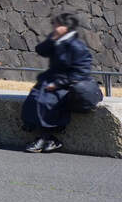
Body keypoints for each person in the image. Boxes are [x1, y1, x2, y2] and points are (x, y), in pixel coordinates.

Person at [22, 14, 102, 154]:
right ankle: (49, 139)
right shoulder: (57, 41)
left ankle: (44, 138)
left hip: (68, 83)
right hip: (52, 79)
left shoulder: (77, 46)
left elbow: (81, 71)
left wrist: (58, 84)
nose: (54, 27)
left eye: (58, 25)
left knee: (47, 101)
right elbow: (40, 50)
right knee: (34, 98)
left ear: (66, 27)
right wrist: (51, 40)